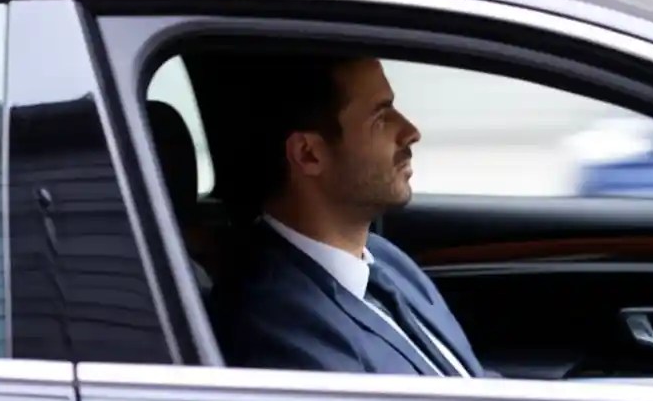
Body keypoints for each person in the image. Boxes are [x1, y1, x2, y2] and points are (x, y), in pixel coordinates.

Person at [211, 54, 493, 377]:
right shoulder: (279, 323)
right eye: (380, 117)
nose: (411, 131)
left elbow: (474, 385)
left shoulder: (386, 260)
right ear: (309, 154)